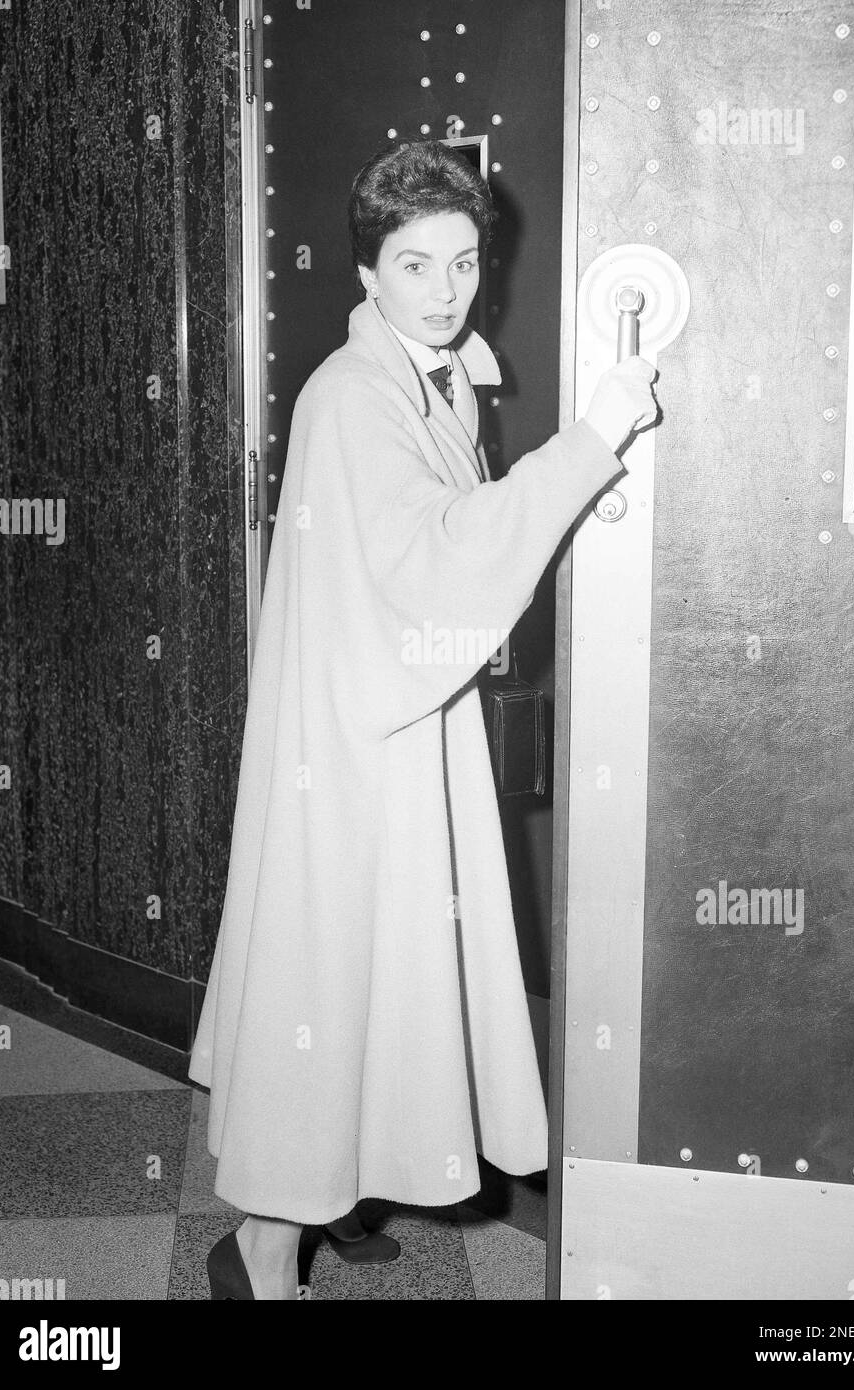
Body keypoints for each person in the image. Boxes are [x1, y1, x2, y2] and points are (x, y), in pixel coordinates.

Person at [189, 140, 658, 1299]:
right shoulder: (351, 396)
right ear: (367, 272)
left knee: (373, 978)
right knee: (330, 978)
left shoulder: (425, 371)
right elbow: (443, 560)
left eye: (462, 261)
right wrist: (591, 441)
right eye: (415, 266)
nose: (445, 291)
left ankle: (336, 1186)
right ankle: (259, 1251)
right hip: (356, 752)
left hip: (384, 724)